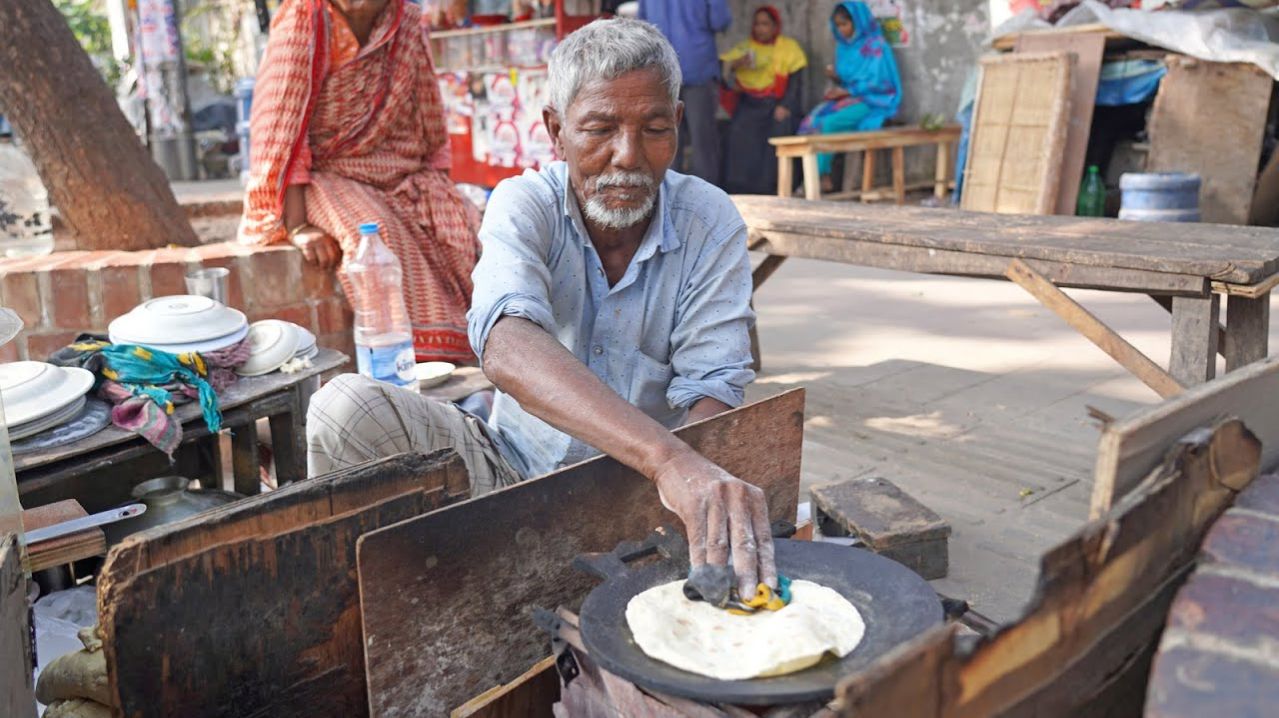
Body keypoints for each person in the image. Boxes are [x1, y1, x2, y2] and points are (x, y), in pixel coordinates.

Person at [306, 17, 776, 596]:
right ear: (555, 130)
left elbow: (716, 392)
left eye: (654, 128)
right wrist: (665, 457)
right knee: (339, 407)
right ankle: (356, 615)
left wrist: (680, 474)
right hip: (508, 473)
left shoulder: (711, 221)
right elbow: (506, 346)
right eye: (599, 129)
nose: (627, 155)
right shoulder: (524, 203)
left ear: (677, 124)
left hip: (641, 502)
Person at [239, 0, 481, 363]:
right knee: (376, 238)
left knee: (467, 227)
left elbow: (429, 111)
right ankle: (410, 365)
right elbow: (283, 126)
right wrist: (299, 225)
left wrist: (441, 192)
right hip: (331, 171)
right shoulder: (306, 16)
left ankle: (481, 353)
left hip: (400, 168)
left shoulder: (407, 20)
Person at [798, 1, 902, 193]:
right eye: (837, 25)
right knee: (812, 120)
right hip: (851, 98)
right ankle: (818, 175)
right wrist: (836, 79)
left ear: (857, 21)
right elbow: (848, 81)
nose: (841, 29)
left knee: (829, 123)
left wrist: (847, 92)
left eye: (845, 24)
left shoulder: (876, 46)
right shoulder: (844, 48)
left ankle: (819, 177)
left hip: (874, 101)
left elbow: (880, 83)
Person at [638, 0, 732, 187]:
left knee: (663, 136)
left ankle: (668, 197)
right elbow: (720, 20)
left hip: (662, 69)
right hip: (698, 66)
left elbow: (642, 26)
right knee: (702, 140)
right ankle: (706, 198)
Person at [718, 6, 807, 195]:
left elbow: (796, 84)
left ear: (775, 26)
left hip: (776, 103)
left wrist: (785, 105)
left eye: (765, 24)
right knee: (736, 131)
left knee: (781, 126)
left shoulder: (788, 48)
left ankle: (773, 187)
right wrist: (735, 64)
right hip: (750, 104)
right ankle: (739, 187)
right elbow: (721, 71)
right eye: (757, 24)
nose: (760, 29)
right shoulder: (745, 48)